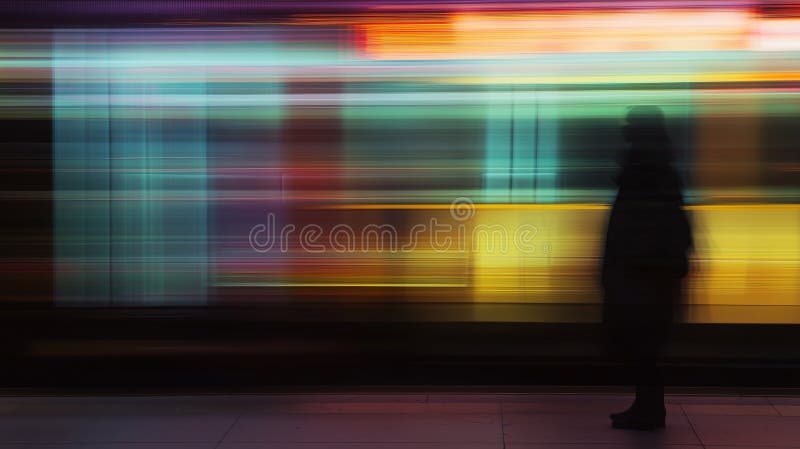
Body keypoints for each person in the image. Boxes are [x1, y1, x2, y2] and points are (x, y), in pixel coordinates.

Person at [602, 106, 693, 430]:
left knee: (644, 344)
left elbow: (635, 223)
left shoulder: (645, 170)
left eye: (630, 124)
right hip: (650, 272)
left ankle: (649, 409)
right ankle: (646, 406)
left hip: (643, 274)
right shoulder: (656, 167)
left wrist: (620, 264)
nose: (624, 129)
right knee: (645, 345)